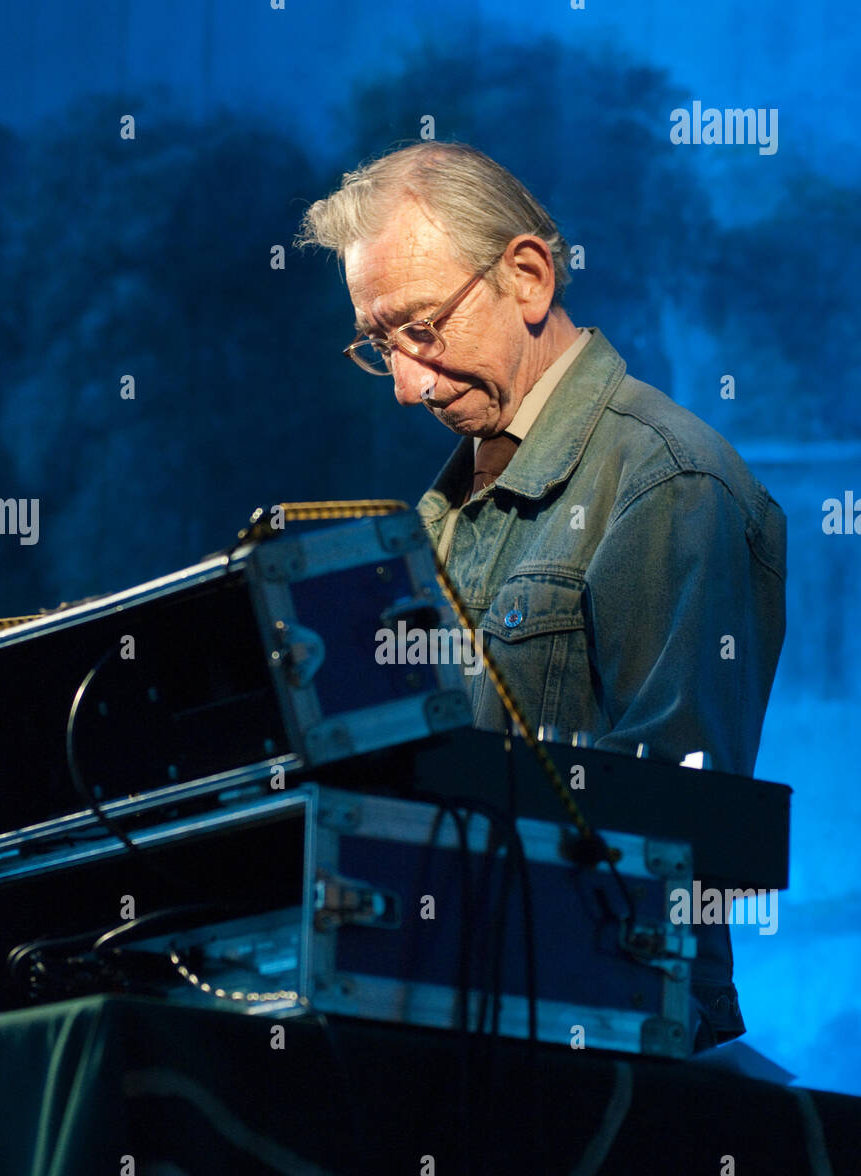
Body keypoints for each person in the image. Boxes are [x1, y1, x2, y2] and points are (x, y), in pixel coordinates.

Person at [296, 140, 787, 1045]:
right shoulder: (439, 514)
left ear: (526, 277)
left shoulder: (670, 481)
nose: (405, 385)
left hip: (606, 1048)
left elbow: (679, 832)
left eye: (421, 330)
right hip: (460, 1017)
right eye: (378, 346)